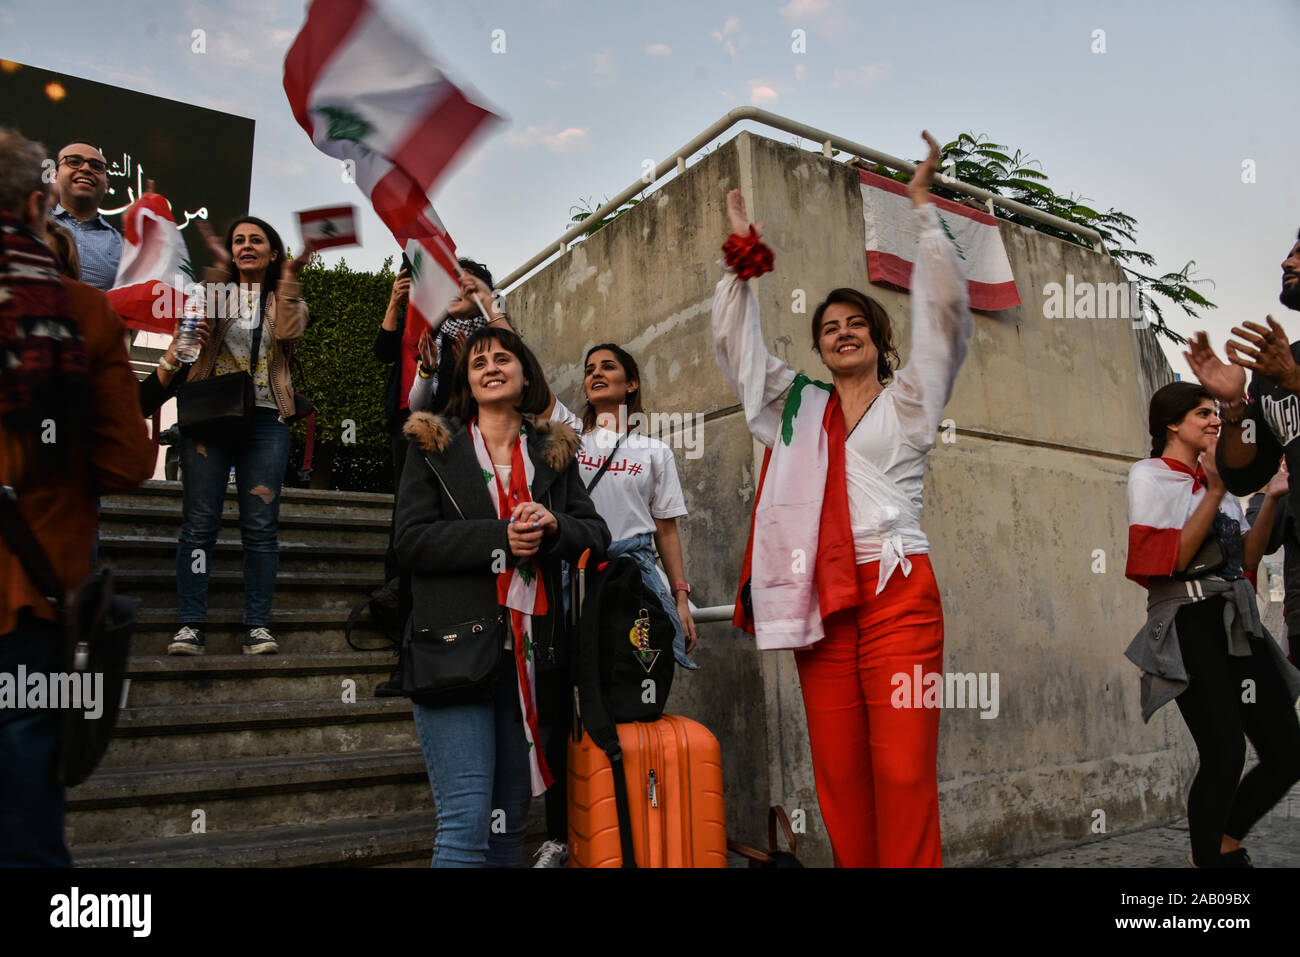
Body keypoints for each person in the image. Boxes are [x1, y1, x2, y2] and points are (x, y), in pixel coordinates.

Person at [711, 131, 971, 867]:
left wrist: (922, 210)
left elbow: (947, 320)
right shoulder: (793, 406)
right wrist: (742, 260)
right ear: (819, 349)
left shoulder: (911, 399)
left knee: (902, 768)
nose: (843, 331)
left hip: (899, 594)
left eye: (857, 322)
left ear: (877, 337)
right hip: (818, 601)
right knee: (842, 775)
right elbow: (738, 348)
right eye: (830, 327)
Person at [394, 326, 608, 867]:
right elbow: (411, 542)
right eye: (478, 362)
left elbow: (596, 534)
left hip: (531, 661)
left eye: (503, 358)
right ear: (467, 380)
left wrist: (555, 525)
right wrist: (498, 538)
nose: (490, 367)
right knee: (467, 823)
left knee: (511, 824)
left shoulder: (554, 452)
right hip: (455, 652)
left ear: (525, 374)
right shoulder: (433, 444)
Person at [0, 127, 154, 865]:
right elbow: (128, 464)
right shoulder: (84, 313)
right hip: (34, 603)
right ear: (40, 203)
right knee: (27, 825)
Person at [534, 343, 700, 867]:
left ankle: (628, 829)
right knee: (561, 707)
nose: (596, 374)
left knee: (627, 698)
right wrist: (490, 309)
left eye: (609, 367)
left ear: (631, 383)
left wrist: (681, 599)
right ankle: (561, 836)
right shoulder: (567, 436)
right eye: (589, 370)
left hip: (633, 585)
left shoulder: (655, 452)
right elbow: (533, 387)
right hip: (574, 580)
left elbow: (667, 529)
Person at [1124, 381, 1300, 867]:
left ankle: (1224, 838)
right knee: (1223, 752)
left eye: (1214, 412)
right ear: (1172, 425)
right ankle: (1211, 865)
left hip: (1234, 618)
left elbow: (1247, 555)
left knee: (1288, 749)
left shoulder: (1215, 486)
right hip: (1187, 619)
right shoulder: (1150, 475)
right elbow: (1171, 559)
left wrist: (1271, 497)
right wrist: (1217, 489)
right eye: (1203, 413)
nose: (1213, 421)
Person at [166, 218, 317, 656]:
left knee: (260, 527)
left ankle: (257, 625)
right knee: (199, 524)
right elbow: (194, 338)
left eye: (257, 240)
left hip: (267, 420)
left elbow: (289, 331)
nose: (246, 246)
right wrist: (215, 272)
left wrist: (288, 279)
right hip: (211, 420)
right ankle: (190, 623)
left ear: (273, 252)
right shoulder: (211, 293)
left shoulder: (288, 300)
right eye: (238, 241)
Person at [1186, 229, 1300, 657]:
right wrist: (1233, 405)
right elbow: (1246, 472)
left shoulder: (1287, 372)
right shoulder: (1273, 372)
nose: (1287, 263)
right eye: (1289, 253)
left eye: (1299, 253)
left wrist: (1295, 380)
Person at [407, 259, 514, 414]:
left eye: (463, 284)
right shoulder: (437, 340)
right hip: (446, 434)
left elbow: (522, 368)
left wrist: (471, 367)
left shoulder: (497, 334)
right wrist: (426, 370)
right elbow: (416, 406)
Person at [49, 142, 122, 291]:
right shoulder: (34, 223)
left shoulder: (122, 245)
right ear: (55, 176)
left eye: (96, 166)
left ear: (107, 185)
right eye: (74, 162)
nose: (86, 169)